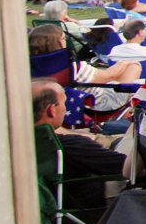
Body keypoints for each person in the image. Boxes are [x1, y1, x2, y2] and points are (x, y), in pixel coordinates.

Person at [31, 81, 125, 210]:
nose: (65, 109)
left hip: (58, 212)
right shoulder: (71, 147)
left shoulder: (26, 142)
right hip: (94, 210)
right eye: (64, 103)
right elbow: (127, 167)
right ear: (52, 110)